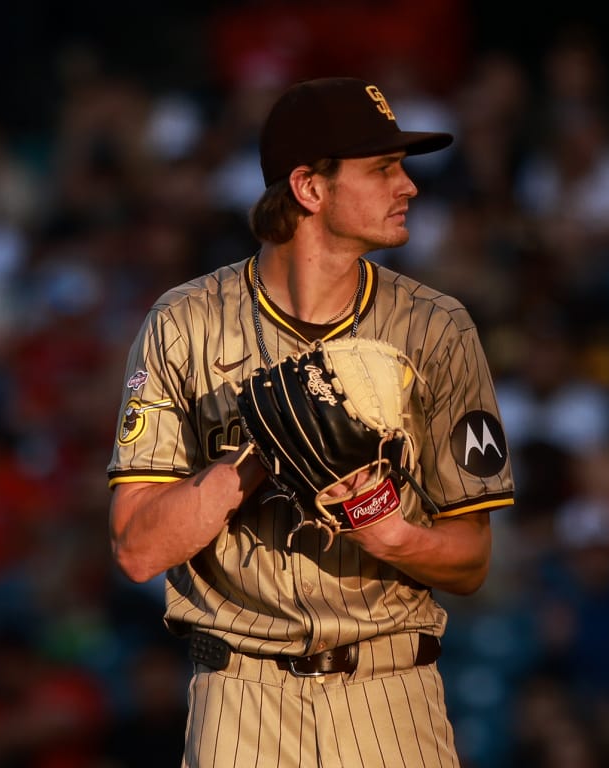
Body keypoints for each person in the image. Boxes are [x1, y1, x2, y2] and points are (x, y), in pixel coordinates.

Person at [106, 76, 515, 767]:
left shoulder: (437, 327)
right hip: (240, 698)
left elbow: (472, 558)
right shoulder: (185, 323)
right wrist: (261, 454)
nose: (408, 185)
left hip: (392, 693)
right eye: (383, 168)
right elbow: (138, 549)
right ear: (309, 188)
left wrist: (389, 532)